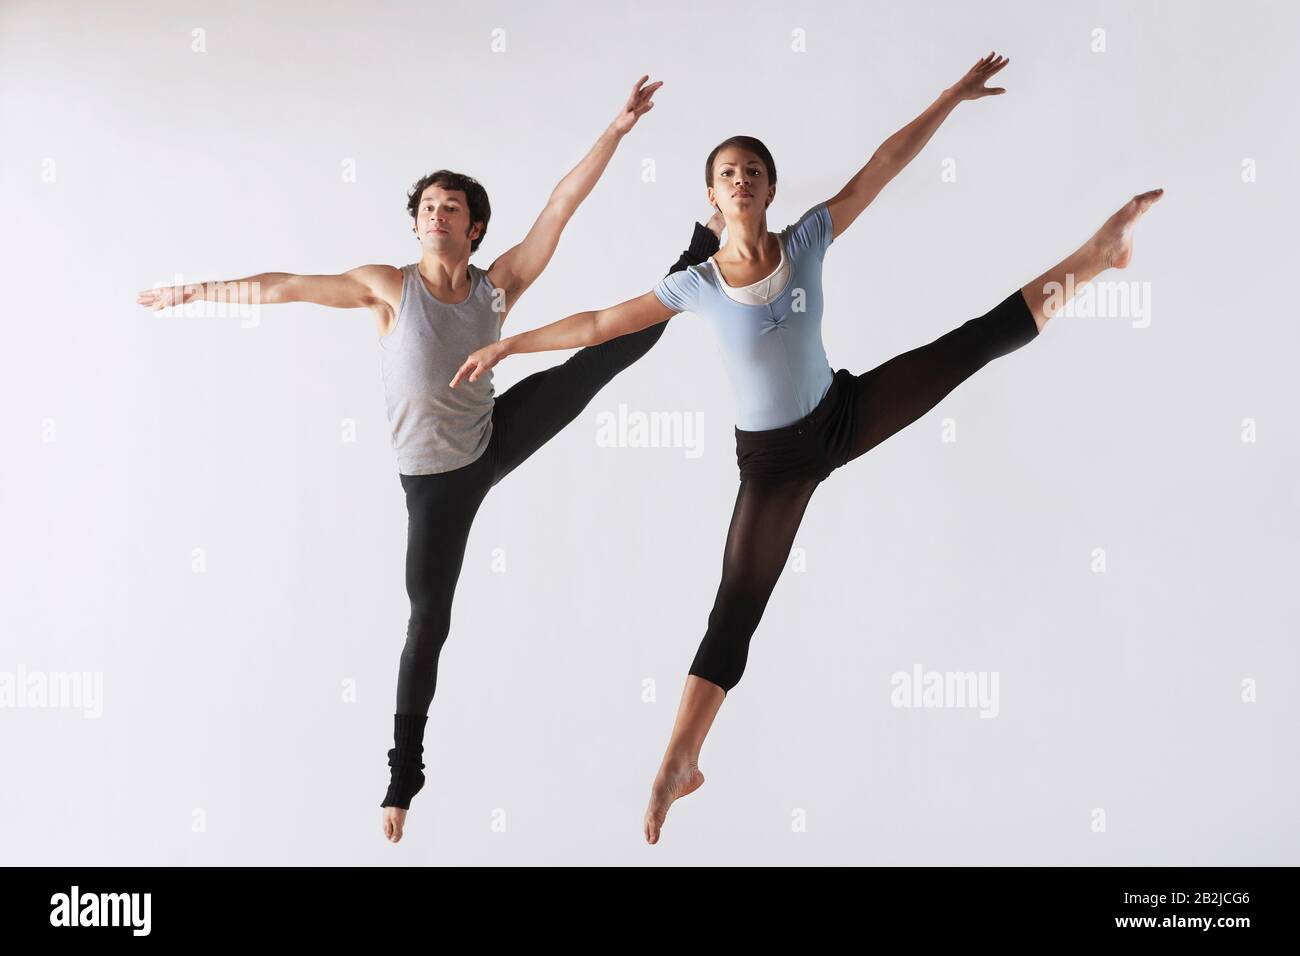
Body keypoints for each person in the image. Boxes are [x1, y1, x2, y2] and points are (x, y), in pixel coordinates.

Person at [449, 53, 1164, 843]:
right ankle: (679, 761)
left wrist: (947, 99)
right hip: (774, 464)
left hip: (842, 413)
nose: (741, 179)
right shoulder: (696, 284)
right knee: (737, 607)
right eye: (727, 172)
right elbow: (595, 326)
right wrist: (510, 348)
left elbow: (880, 170)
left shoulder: (810, 237)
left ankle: (1098, 255)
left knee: (973, 343)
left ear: (771, 188)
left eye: (753, 169)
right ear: (712, 195)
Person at [136, 75, 723, 844]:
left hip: (493, 435)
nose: (435, 215)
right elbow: (283, 285)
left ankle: (702, 252)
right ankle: (403, 778)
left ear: (473, 228)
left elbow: (559, 207)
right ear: (415, 225)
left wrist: (614, 130)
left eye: (450, 207)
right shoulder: (386, 288)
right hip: (435, 484)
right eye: (426, 207)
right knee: (428, 620)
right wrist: (200, 291)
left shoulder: (497, 288)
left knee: (600, 352)